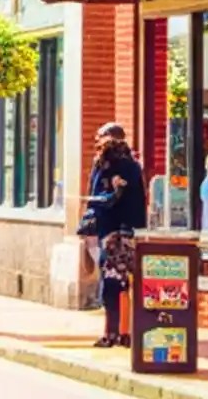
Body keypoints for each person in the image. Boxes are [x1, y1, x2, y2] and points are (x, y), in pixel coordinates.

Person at [83, 122, 146, 348]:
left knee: (110, 283)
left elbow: (96, 199)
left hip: (110, 232)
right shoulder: (134, 165)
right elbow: (141, 200)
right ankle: (125, 333)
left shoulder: (104, 163)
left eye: (100, 137)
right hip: (129, 232)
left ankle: (111, 333)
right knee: (124, 284)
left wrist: (88, 225)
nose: (97, 141)